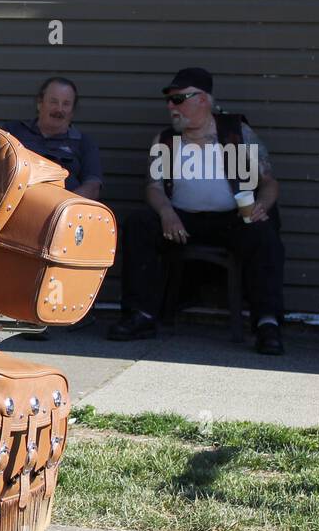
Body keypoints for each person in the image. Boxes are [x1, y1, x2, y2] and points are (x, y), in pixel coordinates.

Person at [107, 67, 286, 354]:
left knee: (264, 229)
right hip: (181, 219)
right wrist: (166, 212)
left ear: (202, 100)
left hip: (232, 219)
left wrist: (262, 206)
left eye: (178, 99)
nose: (171, 107)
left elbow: (268, 182)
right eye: (169, 101)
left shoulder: (236, 132)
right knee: (139, 224)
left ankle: (267, 323)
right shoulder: (165, 140)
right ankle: (140, 315)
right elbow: (153, 187)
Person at [4, 76, 104, 200]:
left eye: (66, 104)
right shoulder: (13, 131)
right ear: (40, 103)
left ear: (72, 110)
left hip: (61, 213)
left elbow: (92, 187)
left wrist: (64, 206)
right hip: (17, 204)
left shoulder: (84, 143)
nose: (59, 109)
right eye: (53, 102)